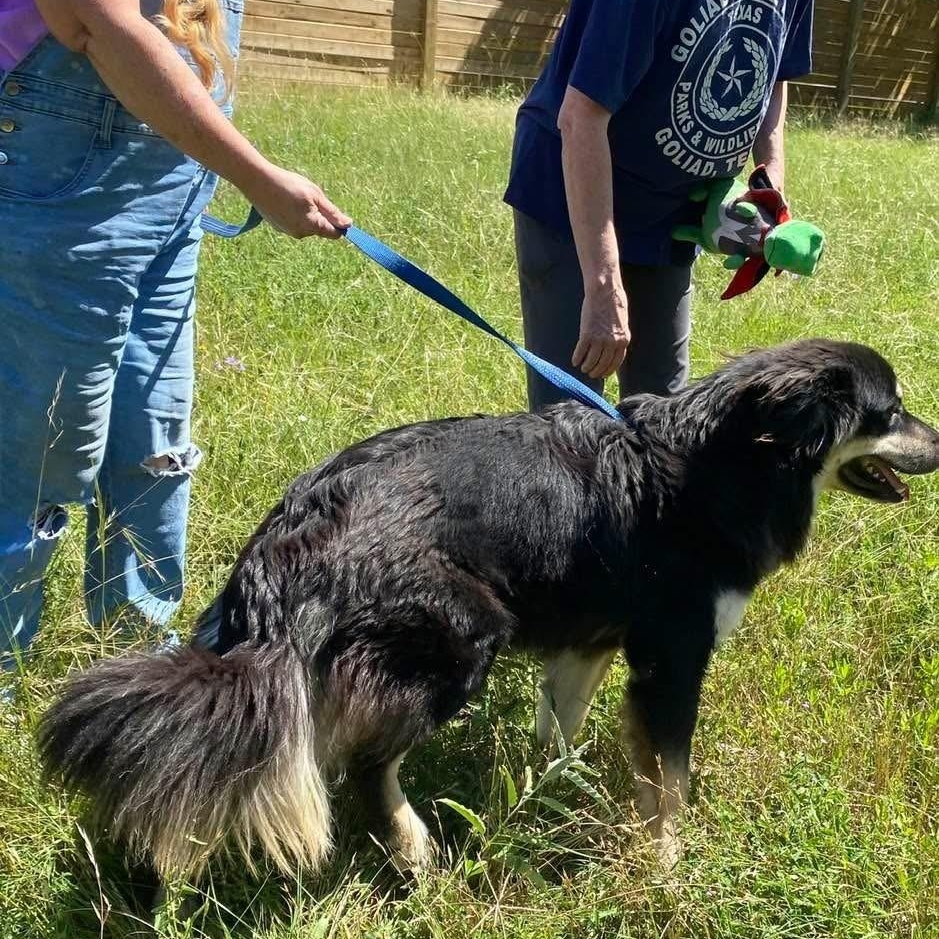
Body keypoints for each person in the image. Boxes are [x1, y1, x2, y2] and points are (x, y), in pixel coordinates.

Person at [0, 0, 352, 665]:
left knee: (154, 452)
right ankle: (4, 681)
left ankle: (136, 671)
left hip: (168, 194)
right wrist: (257, 178)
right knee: (36, 456)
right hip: (53, 192)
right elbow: (100, 25)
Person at [504, 0, 815, 410]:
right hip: (573, 196)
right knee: (567, 418)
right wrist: (603, 287)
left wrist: (768, 181)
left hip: (673, 212)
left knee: (662, 408)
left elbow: (775, 73)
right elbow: (581, 118)